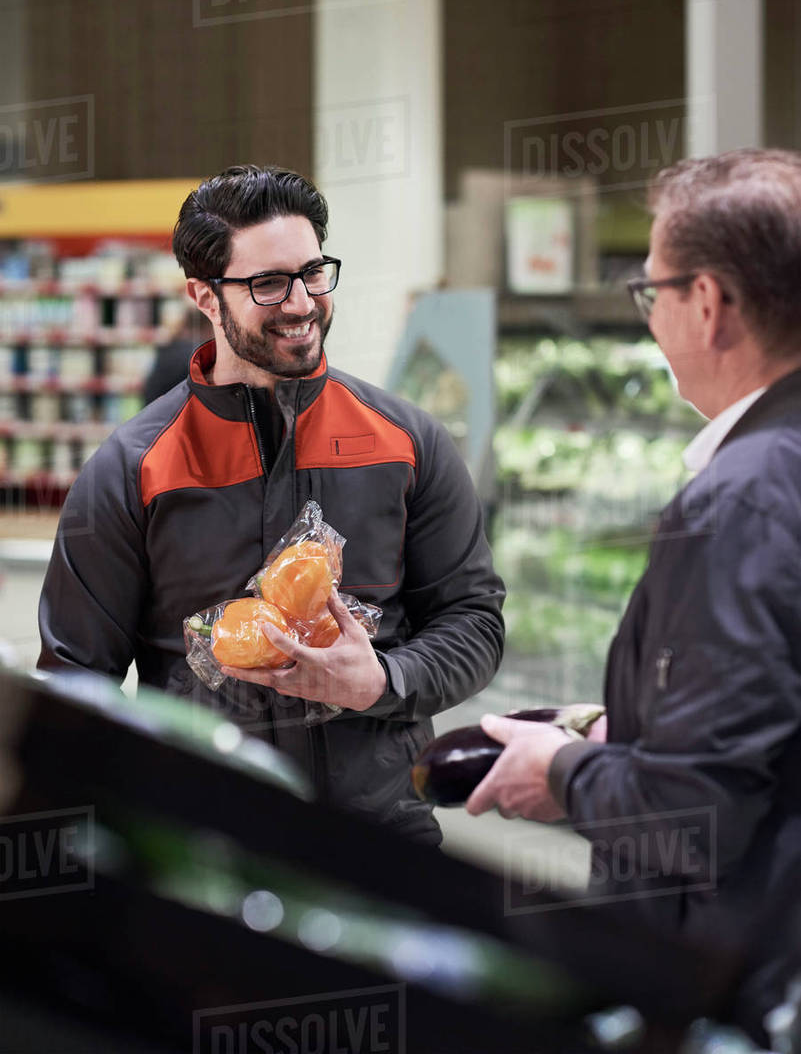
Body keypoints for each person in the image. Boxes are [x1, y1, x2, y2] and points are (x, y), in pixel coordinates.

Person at [38, 164, 505, 845]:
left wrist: (381, 678)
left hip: (382, 841)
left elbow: (473, 623)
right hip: (204, 844)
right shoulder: (132, 468)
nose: (301, 302)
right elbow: (77, 684)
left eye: (313, 272)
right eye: (267, 283)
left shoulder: (407, 443)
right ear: (203, 295)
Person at [466, 148, 801, 1040]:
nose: (648, 318)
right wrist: (641, 731)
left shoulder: (745, 497)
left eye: (649, 291)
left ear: (708, 303)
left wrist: (562, 770)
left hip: (741, 980)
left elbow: (697, 819)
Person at [141, 305, 213, 405]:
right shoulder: (192, 354)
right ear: (208, 327)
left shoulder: (171, 346)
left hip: (155, 411)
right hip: (172, 414)